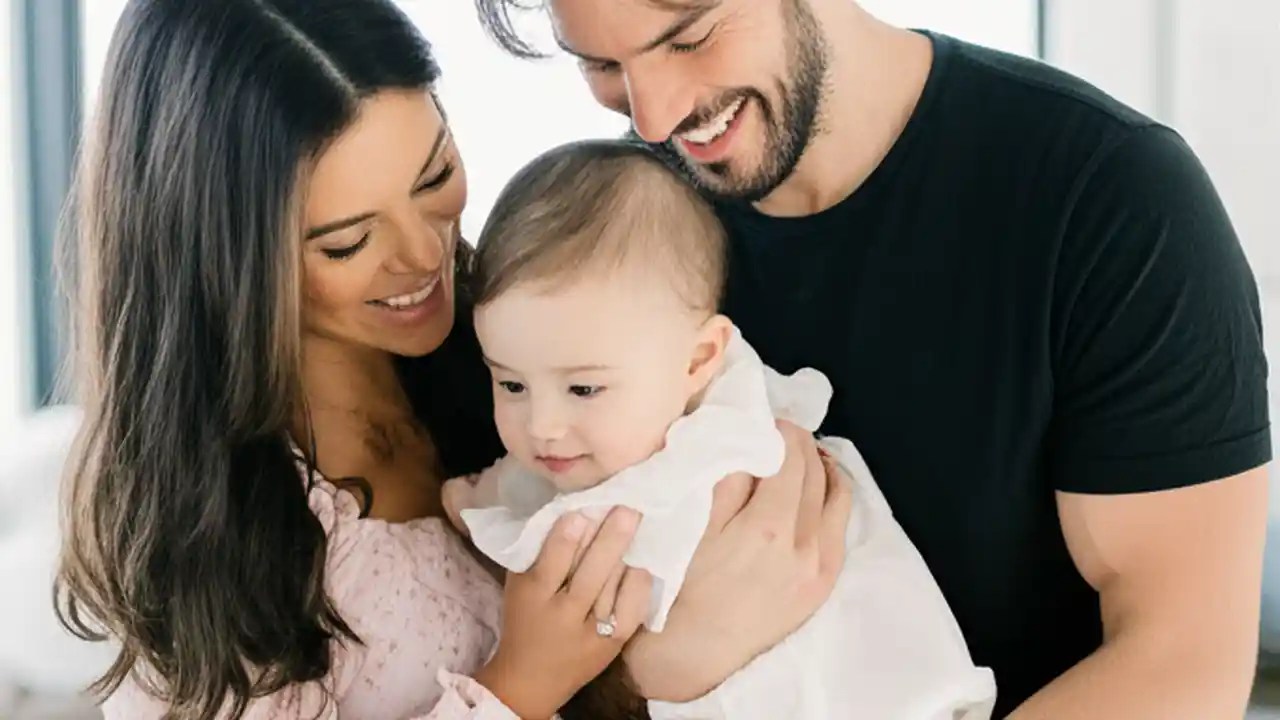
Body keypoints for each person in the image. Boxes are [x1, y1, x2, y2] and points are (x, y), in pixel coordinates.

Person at [473, 0, 1272, 716]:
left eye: (689, 38)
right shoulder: (607, 241)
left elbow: (1183, 662)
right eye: (602, 64)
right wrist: (654, 670)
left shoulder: (1108, 196)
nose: (654, 117)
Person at [53, 1, 851, 719]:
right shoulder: (197, 539)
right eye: (348, 241)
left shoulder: (521, 348)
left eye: (434, 175)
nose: (423, 256)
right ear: (225, 265)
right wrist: (519, 689)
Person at [442, 139, 998, 720]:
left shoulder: (712, 460)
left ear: (700, 360)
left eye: (582, 389)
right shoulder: (636, 399)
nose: (543, 425)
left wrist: (480, 510)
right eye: (510, 384)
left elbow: (576, 555)